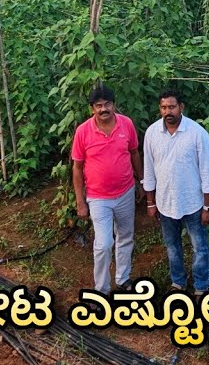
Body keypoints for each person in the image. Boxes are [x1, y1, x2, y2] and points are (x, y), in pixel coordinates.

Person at [142, 89, 209, 294]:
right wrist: (150, 202)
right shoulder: (152, 133)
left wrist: (207, 205)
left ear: (181, 107)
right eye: (164, 107)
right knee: (172, 247)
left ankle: (201, 287)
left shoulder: (197, 133)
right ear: (160, 109)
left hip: (192, 202)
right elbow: (149, 169)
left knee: (199, 248)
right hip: (165, 202)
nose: (168, 111)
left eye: (172, 107)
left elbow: (207, 171)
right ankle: (178, 283)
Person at [71, 84, 142, 294]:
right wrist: (80, 202)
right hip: (97, 197)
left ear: (114, 105)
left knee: (126, 236)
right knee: (103, 244)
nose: (104, 109)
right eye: (98, 105)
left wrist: (143, 182)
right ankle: (101, 290)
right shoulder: (83, 131)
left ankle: (123, 278)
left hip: (126, 192)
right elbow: (77, 167)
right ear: (92, 109)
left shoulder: (126, 124)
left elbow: (134, 153)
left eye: (107, 104)